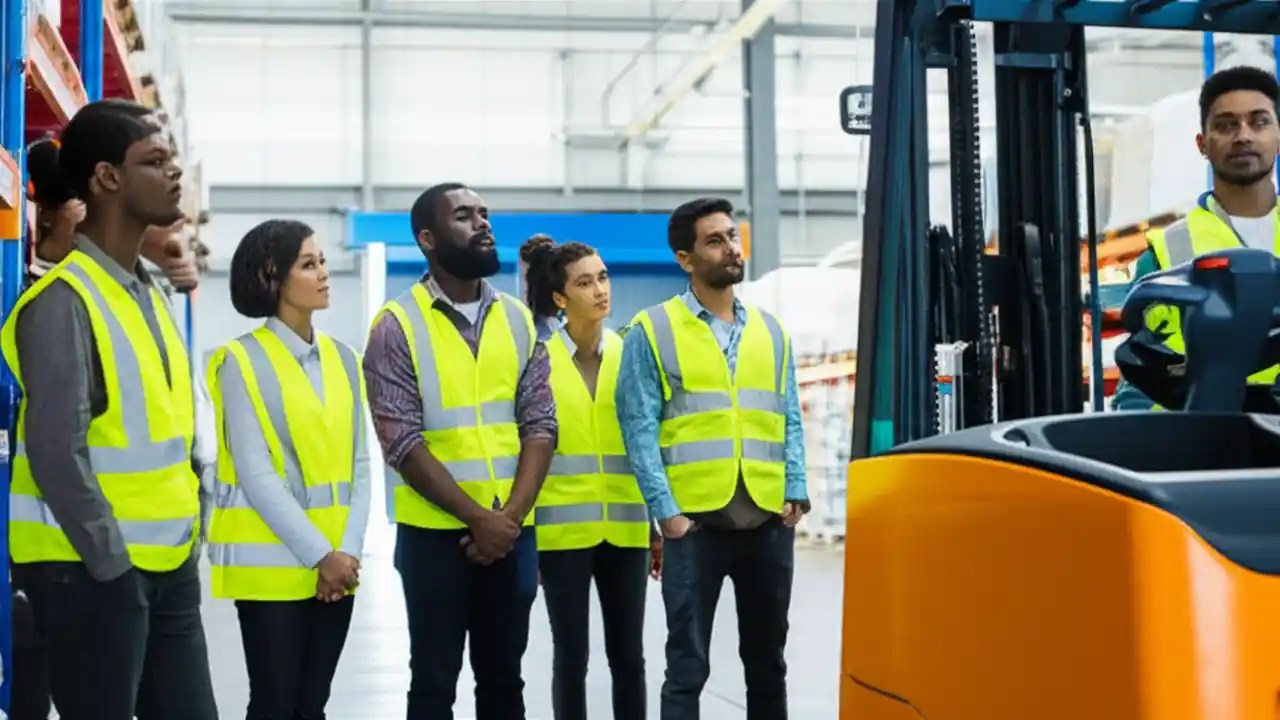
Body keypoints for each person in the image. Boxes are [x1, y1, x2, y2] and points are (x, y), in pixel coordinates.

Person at [0, 99, 217, 720]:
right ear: (106, 178)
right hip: (90, 571)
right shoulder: (63, 301)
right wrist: (111, 565)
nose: (174, 174)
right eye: (155, 161)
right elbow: (53, 449)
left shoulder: (147, 292)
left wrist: (189, 533)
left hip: (169, 564)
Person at [363, 181, 556, 719]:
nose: (483, 223)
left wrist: (508, 520)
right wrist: (479, 519)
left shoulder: (519, 320)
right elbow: (401, 440)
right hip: (434, 540)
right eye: (464, 216)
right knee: (433, 683)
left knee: (504, 683)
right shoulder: (395, 326)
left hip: (512, 530)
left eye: (484, 213)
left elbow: (540, 422)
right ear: (428, 238)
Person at [616, 197, 808, 720]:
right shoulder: (652, 330)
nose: (730, 248)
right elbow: (637, 427)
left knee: (768, 664)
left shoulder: (771, 331)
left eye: (732, 236)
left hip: (767, 518)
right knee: (686, 668)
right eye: (715, 240)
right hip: (695, 526)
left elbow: (787, 414)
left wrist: (796, 490)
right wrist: (667, 514)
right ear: (686, 259)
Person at [206, 219, 371, 720]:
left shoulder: (345, 360)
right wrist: (322, 555)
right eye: (308, 264)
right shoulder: (240, 361)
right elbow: (257, 476)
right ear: (271, 276)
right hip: (272, 572)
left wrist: (347, 555)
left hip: (337, 571)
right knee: (276, 705)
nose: (324, 274)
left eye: (322, 261)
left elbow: (361, 465)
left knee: (311, 706)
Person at [519, 236, 655, 720]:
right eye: (584, 282)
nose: (600, 290)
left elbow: (648, 443)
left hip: (627, 528)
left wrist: (657, 521)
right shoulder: (538, 361)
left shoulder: (631, 355)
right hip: (561, 536)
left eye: (602, 277)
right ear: (560, 298)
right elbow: (525, 451)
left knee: (629, 658)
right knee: (570, 658)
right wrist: (526, 532)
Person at [1113, 65, 1280, 410]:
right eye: (1226, 125)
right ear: (1202, 144)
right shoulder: (1167, 252)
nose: (1243, 136)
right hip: (1202, 439)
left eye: (1259, 122)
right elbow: (1140, 380)